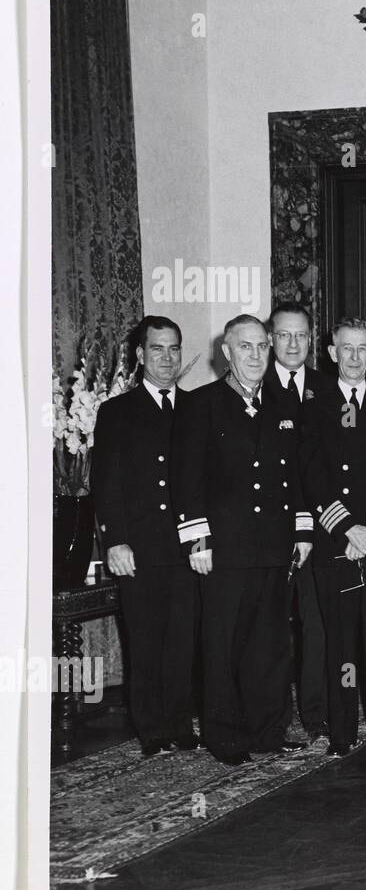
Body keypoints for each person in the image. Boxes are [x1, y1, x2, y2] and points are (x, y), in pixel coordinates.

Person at [170, 315, 314, 766]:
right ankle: (226, 737)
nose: (255, 355)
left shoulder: (283, 404)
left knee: (270, 644)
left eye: (261, 346)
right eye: (245, 347)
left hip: (273, 545)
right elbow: (185, 478)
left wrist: (303, 530)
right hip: (223, 548)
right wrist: (197, 540)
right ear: (226, 353)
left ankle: (269, 731)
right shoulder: (200, 404)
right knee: (223, 644)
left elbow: (297, 474)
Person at [300, 317, 366, 757]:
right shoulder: (315, 406)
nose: (355, 357)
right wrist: (347, 527)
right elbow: (312, 473)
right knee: (339, 640)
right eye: (347, 348)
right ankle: (342, 732)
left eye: (363, 348)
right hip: (337, 542)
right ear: (331, 353)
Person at [90, 315, 198, 756]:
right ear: (140, 355)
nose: (167, 358)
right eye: (158, 349)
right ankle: (152, 729)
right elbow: (106, 482)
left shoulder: (196, 407)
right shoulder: (116, 411)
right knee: (146, 638)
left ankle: (179, 722)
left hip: (188, 545)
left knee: (183, 639)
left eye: (173, 349)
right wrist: (114, 539)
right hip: (138, 546)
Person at [264, 301, 331, 742]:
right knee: (268, 626)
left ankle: (317, 714)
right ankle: (271, 718)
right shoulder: (252, 386)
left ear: (311, 340)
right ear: (271, 340)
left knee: (316, 625)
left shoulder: (329, 390)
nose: (293, 344)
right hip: (265, 530)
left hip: (320, 532)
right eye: (284, 335)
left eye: (301, 336)